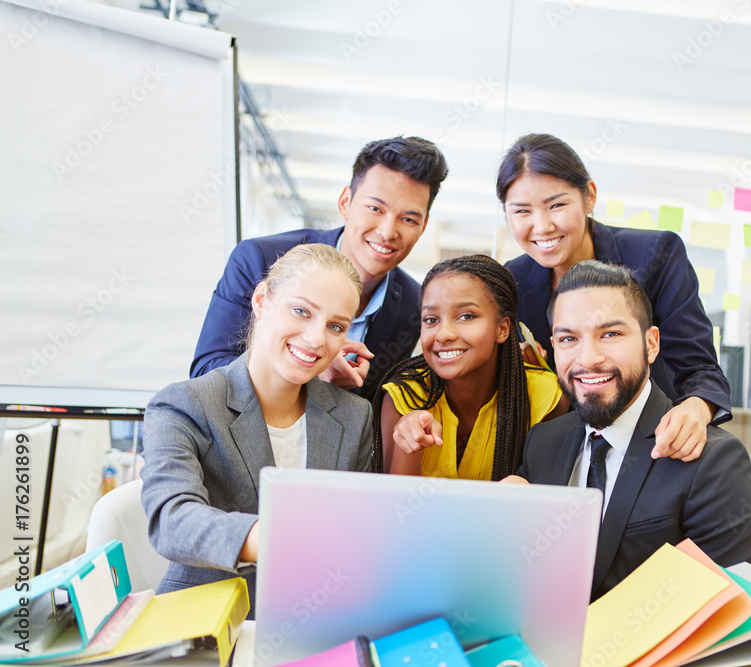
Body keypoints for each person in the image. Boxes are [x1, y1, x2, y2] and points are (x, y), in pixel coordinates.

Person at [506, 260, 751, 601]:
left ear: (651, 344)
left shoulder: (713, 462)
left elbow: (727, 611)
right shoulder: (543, 442)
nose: (588, 359)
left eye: (610, 334)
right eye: (569, 338)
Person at [141, 244, 373, 617]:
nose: (316, 339)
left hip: (315, 619)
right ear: (262, 300)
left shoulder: (354, 416)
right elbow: (172, 520)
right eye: (302, 311)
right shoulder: (184, 404)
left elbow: (357, 532)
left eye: (335, 326)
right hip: (208, 620)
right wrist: (274, 538)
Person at [498, 133, 731, 461]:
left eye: (557, 205)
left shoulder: (655, 256)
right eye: (522, 211)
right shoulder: (514, 280)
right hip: (567, 452)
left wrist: (695, 409)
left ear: (589, 197)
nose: (542, 226)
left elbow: (700, 368)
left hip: (656, 445)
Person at [191, 136, 449, 401]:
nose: (387, 232)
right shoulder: (259, 260)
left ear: (423, 226)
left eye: (408, 219)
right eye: (375, 208)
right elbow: (206, 373)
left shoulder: (413, 305)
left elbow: (376, 404)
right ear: (345, 202)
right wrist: (311, 372)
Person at [374, 255, 569, 480]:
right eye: (431, 319)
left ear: (502, 329)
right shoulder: (403, 397)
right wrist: (409, 446)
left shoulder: (545, 398)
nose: (443, 334)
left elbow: (547, 494)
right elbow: (395, 499)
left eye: (466, 316)